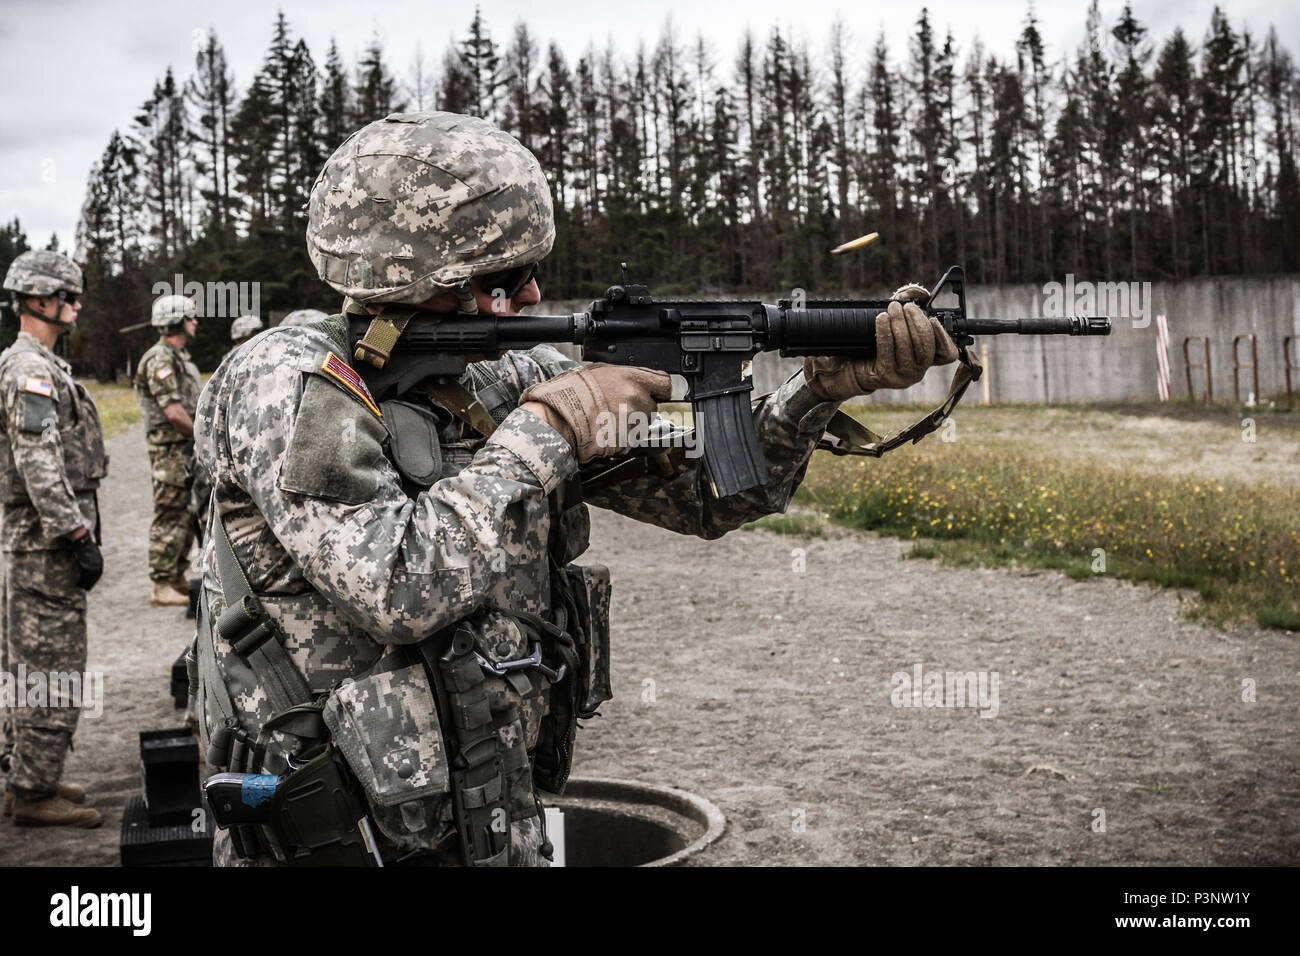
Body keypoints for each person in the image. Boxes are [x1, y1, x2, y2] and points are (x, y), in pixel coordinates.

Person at [193, 111, 957, 867]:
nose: (529, 298)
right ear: (417, 277)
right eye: (503, 279)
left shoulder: (500, 376)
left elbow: (705, 493)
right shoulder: (288, 382)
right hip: (337, 839)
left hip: (490, 814)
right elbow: (397, 587)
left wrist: (816, 391)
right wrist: (549, 431)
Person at [0, 250, 106, 828]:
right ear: (41, 301)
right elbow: (37, 459)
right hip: (47, 548)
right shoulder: (30, 370)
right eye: (69, 297)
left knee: (29, 665)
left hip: (37, 544)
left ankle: (28, 778)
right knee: (54, 667)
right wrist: (75, 533)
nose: (77, 306)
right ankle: (33, 793)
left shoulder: (35, 363)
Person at [133, 294, 201, 606]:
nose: (195, 321)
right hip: (169, 450)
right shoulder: (160, 359)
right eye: (190, 317)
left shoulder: (177, 356)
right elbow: (174, 413)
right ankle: (160, 583)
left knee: (186, 514)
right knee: (170, 513)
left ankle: (175, 576)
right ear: (176, 321)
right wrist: (205, 435)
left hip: (182, 449)